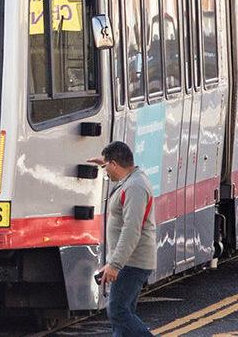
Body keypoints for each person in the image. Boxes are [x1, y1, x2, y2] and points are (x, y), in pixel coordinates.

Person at [89, 141, 156, 337]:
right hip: (129, 260)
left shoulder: (135, 187)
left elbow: (131, 230)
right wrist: (104, 162)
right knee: (123, 317)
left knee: (118, 311)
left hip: (132, 262)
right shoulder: (132, 180)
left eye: (107, 166)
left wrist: (115, 265)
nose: (106, 172)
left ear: (115, 164)